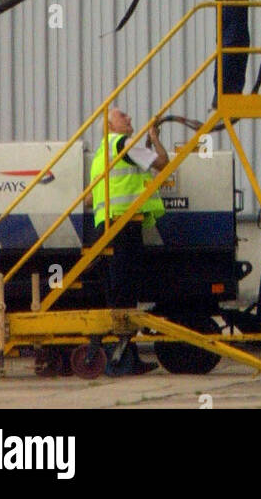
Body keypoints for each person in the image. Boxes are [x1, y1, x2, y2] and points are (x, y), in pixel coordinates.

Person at [90, 106, 168, 376]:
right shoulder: (123, 144)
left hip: (108, 225)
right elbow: (162, 162)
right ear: (112, 125)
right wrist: (154, 136)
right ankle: (120, 359)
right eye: (124, 116)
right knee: (125, 294)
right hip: (123, 226)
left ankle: (128, 358)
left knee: (119, 293)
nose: (130, 117)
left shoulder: (104, 149)